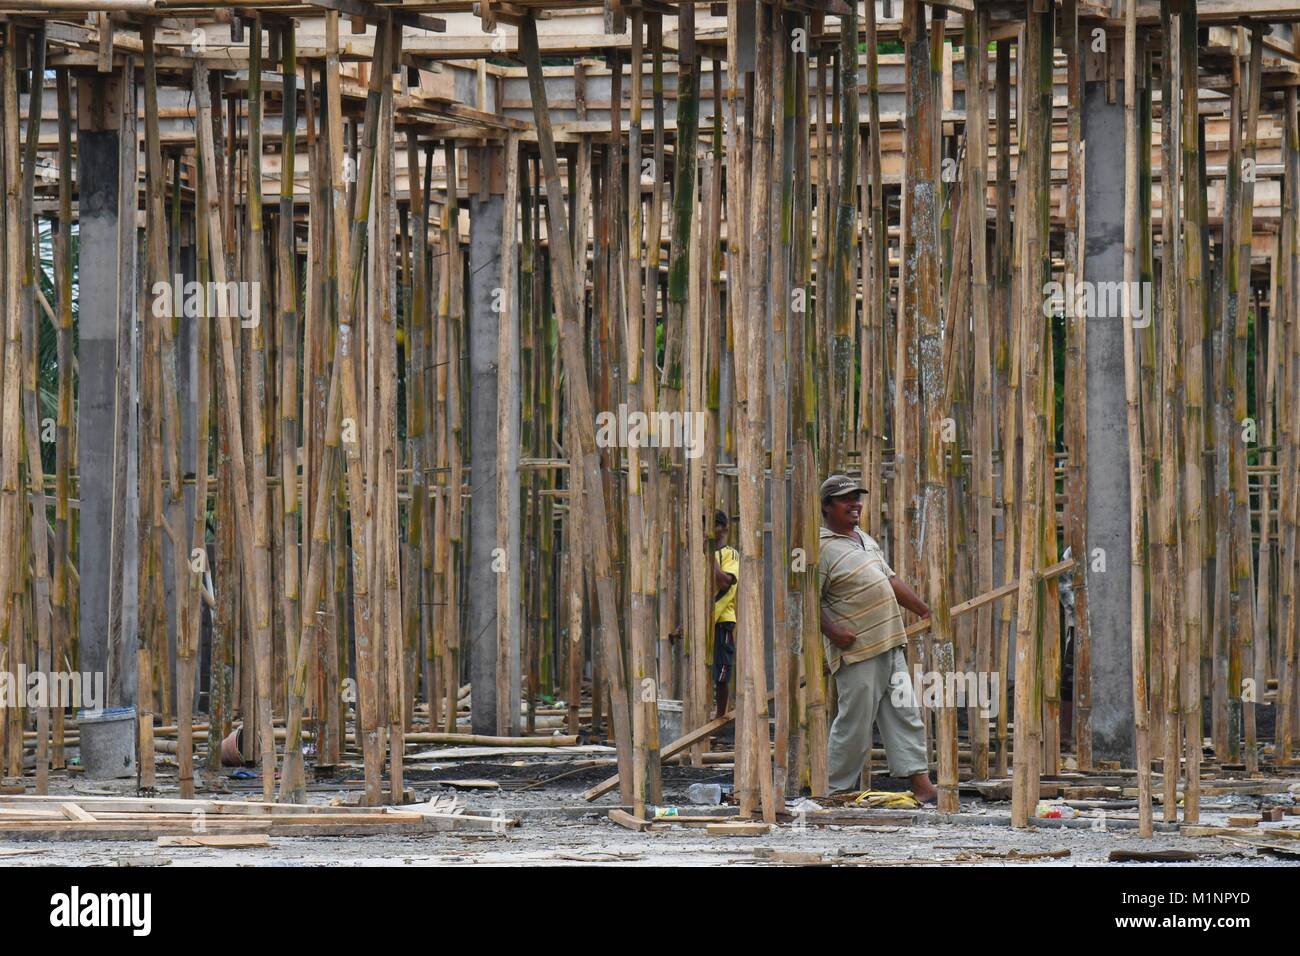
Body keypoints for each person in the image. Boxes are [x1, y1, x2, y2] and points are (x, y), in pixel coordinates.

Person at [817, 474, 938, 803]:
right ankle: (837, 790)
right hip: (858, 650)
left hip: (890, 641)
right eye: (846, 499)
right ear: (827, 507)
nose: (855, 504)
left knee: (905, 714)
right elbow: (805, 600)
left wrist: (925, 610)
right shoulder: (820, 548)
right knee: (855, 722)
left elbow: (891, 580)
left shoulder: (862, 539)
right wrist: (833, 631)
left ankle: (923, 786)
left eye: (857, 497)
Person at [710, 510, 739, 720]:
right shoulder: (700, 553)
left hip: (722, 621)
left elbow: (726, 583)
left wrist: (709, 556)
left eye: (713, 525)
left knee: (722, 672)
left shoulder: (729, 554)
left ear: (724, 529)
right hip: (702, 622)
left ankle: (720, 716)